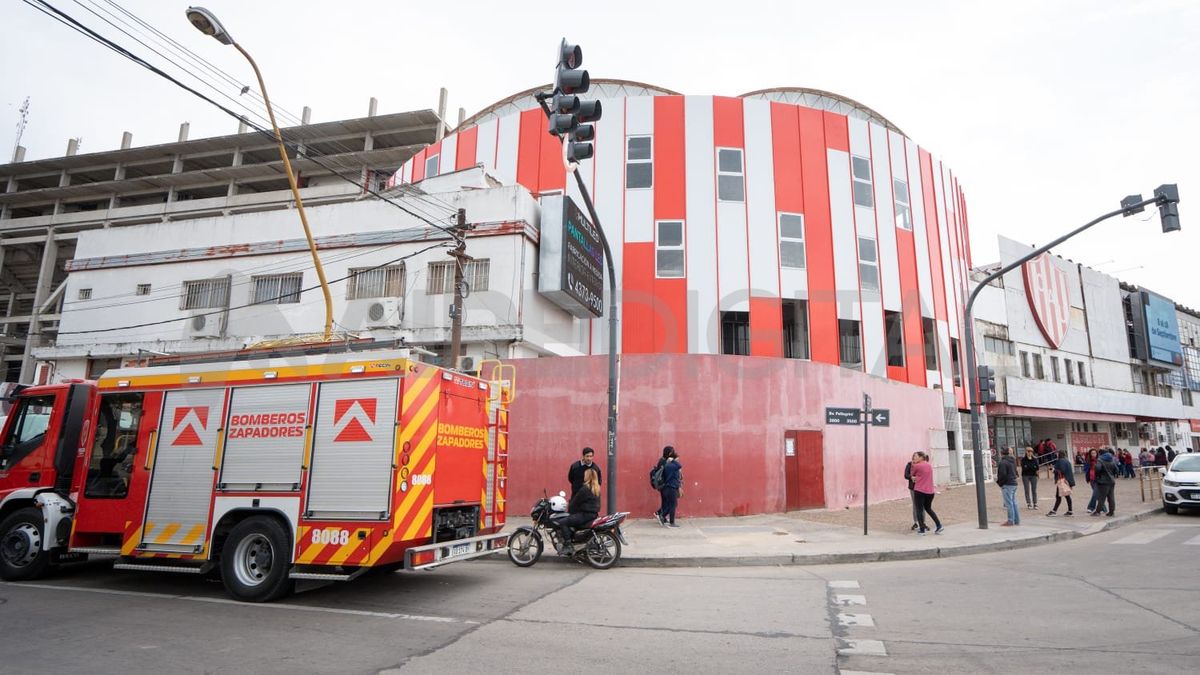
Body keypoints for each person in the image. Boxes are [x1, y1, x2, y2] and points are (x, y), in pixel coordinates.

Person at [558, 467, 601, 548]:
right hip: (593, 515)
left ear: (587, 477)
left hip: (585, 515)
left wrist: (569, 510)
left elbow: (575, 502)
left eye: (585, 475)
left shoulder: (585, 489)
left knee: (562, 522)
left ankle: (568, 545)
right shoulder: (596, 488)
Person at [910, 451, 942, 535]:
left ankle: (922, 530)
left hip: (920, 491)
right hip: (930, 492)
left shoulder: (916, 466)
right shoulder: (929, 465)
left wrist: (913, 466)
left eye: (916, 456)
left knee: (919, 510)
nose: (914, 458)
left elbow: (912, 475)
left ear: (921, 457)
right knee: (928, 509)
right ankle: (939, 525)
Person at [659, 447, 683, 528]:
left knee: (671, 504)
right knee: (673, 504)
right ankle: (671, 522)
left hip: (668, 487)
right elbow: (679, 465)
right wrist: (673, 460)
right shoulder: (672, 466)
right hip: (671, 487)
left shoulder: (667, 465)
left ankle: (662, 515)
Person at [1046, 449, 1075, 516]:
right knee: (1067, 495)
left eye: (1057, 453)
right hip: (1068, 480)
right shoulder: (1067, 461)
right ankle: (1070, 510)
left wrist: (1053, 470)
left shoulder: (1060, 461)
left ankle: (1054, 511)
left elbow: (1061, 470)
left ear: (1059, 454)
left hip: (1062, 480)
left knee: (1058, 496)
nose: (1056, 455)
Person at [997, 447, 1020, 526]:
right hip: (1013, 483)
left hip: (1007, 484)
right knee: (1014, 502)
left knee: (1009, 503)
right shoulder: (1012, 461)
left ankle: (1010, 520)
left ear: (1001, 453)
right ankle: (1016, 520)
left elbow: (1002, 474)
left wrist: (1000, 483)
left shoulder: (1003, 462)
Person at [1093, 448, 1119, 517]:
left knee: (1102, 497)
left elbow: (1098, 468)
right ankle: (1111, 512)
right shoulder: (1112, 459)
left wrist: (1098, 475)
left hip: (1103, 481)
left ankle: (1097, 511)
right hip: (1111, 481)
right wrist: (1112, 474)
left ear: (1100, 453)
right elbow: (1117, 470)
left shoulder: (1100, 460)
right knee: (1111, 497)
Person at [652, 446, 672, 524]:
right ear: (668, 452)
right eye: (671, 452)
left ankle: (661, 516)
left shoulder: (662, 460)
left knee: (665, 501)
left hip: (662, 484)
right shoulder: (664, 461)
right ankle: (660, 514)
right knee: (670, 502)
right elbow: (666, 472)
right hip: (664, 484)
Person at [1083, 448, 1105, 515]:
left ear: (1097, 454)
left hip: (1098, 479)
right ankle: (1102, 508)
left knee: (1095, 494)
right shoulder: (1088, 461)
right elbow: (1086, 470)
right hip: (1092, 479)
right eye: (1092, 453)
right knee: (1097, 494)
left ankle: (1091, 507)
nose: (1093, 454)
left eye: (1094, 453)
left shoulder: (1099, 461)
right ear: (1090, 454)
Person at [904, 452, 921, 531]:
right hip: (913, 487)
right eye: (913, 456)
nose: (914, 457)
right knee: (915, 504)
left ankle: (923, 522)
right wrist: (911, 477)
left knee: (922, 505)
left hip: (922, 487)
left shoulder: (922, 465)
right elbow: (906, 475)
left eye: (916, 456)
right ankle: (916, 522)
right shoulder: (909, 464)